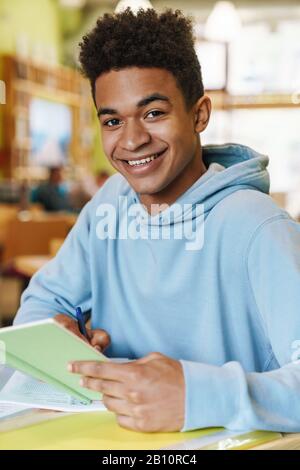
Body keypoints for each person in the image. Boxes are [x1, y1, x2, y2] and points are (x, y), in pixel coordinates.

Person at [14, 8, 300, 434]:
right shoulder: (109, 204)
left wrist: (196, 397)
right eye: (113, 120)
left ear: (200, 114)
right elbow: (39, 307)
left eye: (153, 113)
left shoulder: (258, 227)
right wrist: (60, 335)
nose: (131, 140)